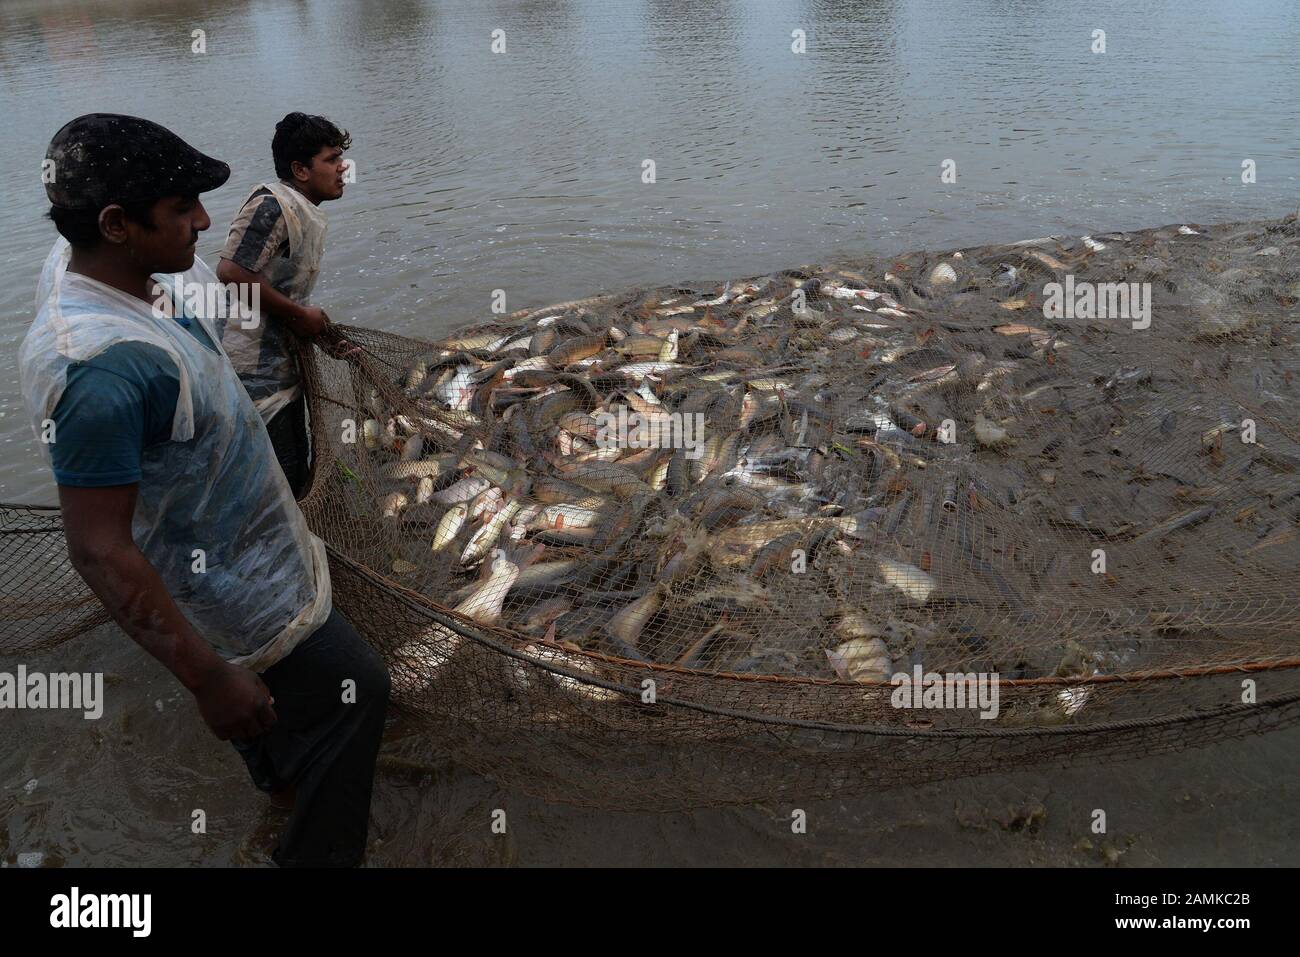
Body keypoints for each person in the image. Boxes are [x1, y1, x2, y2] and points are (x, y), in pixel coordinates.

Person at [20, 114, 389, 867]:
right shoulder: (100, 371)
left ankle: (280, 780)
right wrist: (207, 676)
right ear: (117, 224)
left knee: (275, 724)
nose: (204, 219)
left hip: (249, 560)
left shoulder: (101, 263)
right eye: (183, 206)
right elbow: (97, 548)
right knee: (361, 692)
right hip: (239, 603)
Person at [216, 112, 351, 498]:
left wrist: (321, 333)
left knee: (295, 469)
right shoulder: (272, 206)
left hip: (282, 366)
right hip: (252, 374)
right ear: (300, 169)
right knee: (277, 483)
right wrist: (299, 316)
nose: (343, 168)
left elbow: (283, 293)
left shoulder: (303, 209)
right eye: (331, 159)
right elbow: (231, 272)